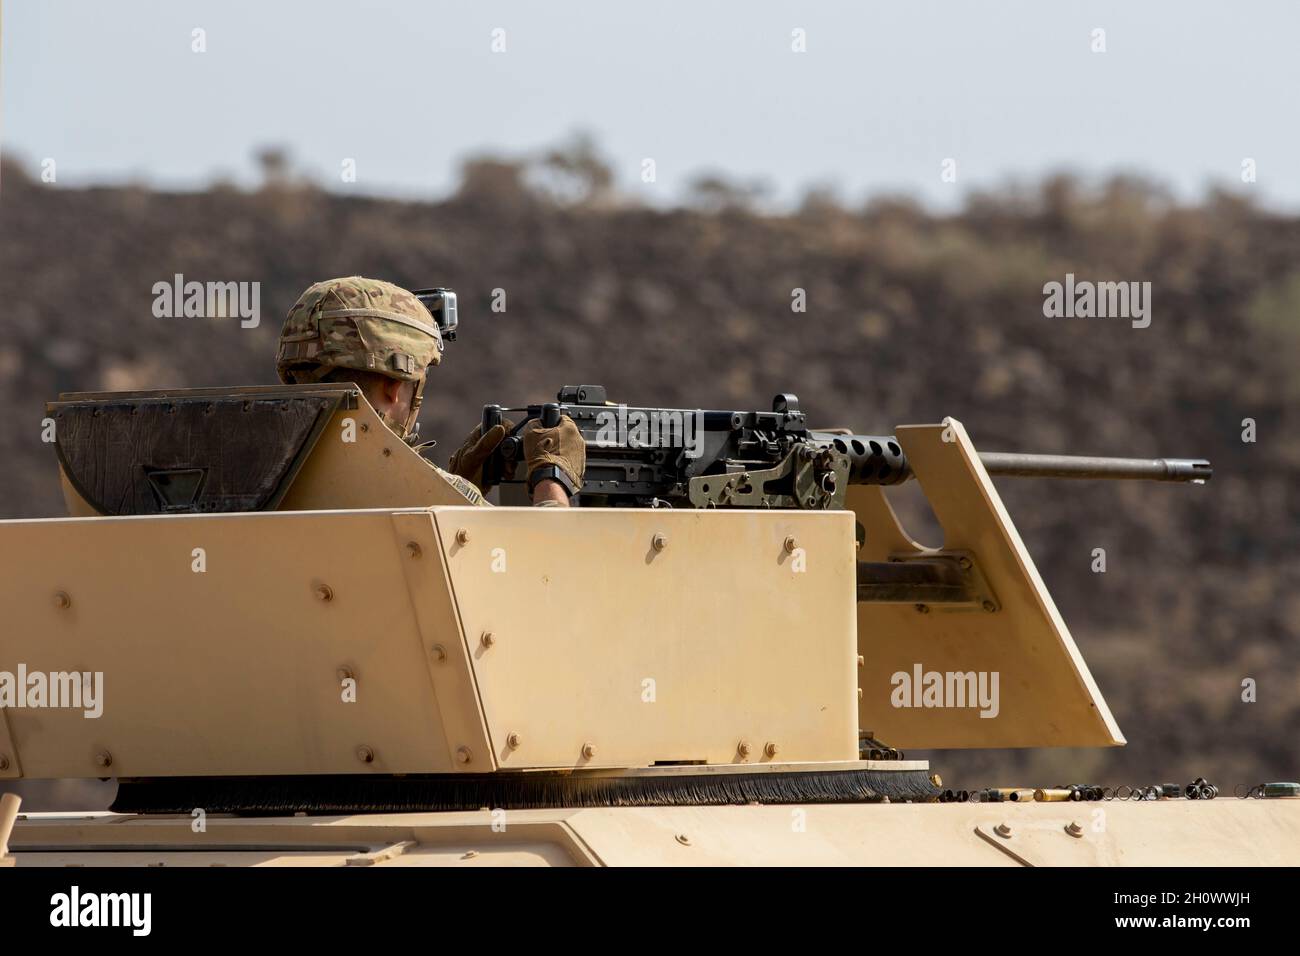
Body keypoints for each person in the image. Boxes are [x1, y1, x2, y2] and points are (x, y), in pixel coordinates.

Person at [275, 276, 584, 506]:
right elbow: (539, 568)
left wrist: (455, 486)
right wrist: (553, 481)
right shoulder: (391, 485)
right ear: (394, 387)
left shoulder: (248, 470)